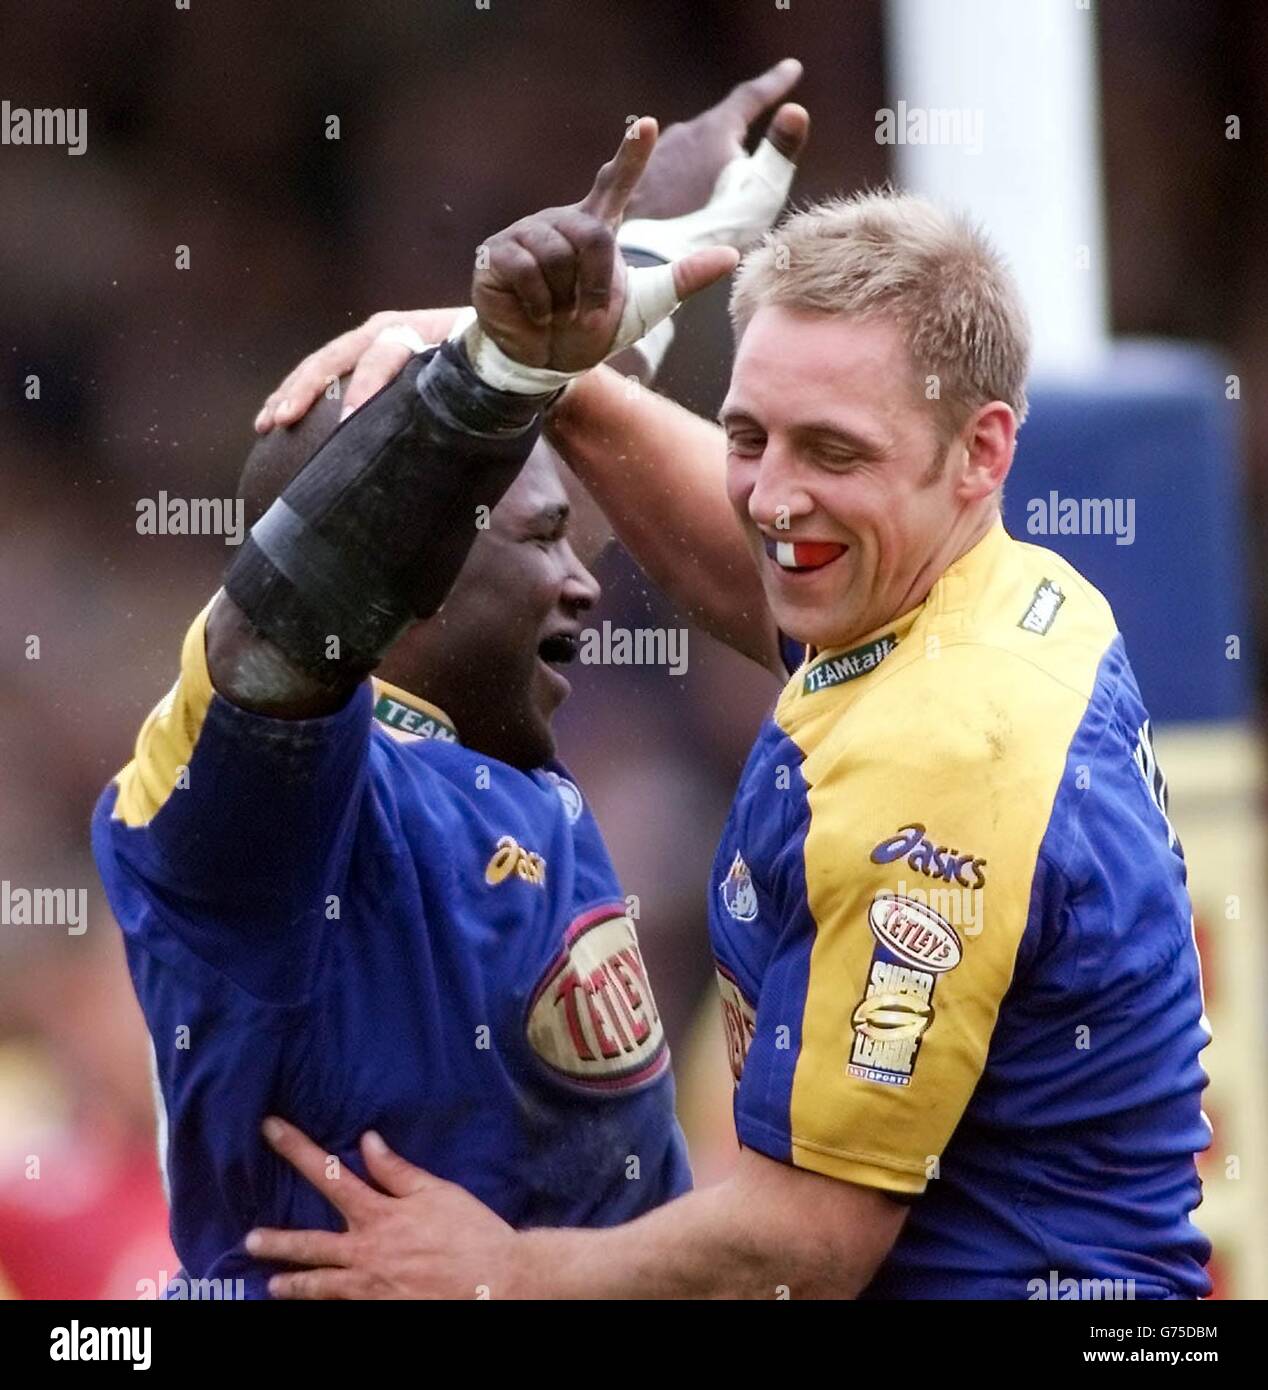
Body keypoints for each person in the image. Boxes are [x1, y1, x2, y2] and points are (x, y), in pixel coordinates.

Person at [249, 183, 1213, 1300]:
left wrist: (500, 1274)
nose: (773, 498)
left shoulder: (943, 759)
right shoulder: (981, 589)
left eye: (832, 452)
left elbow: (801, 1249)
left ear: (980, 449)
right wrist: (521, 366)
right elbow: (757, 558)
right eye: (749, 435)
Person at [92, 79, 806, 1297]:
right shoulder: (263, 813)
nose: (584, 579)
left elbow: (565, 439)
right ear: (408, 577)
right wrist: (479, 376)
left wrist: (666, 241)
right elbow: (301, 602)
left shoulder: (488, 742)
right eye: (539, 545)